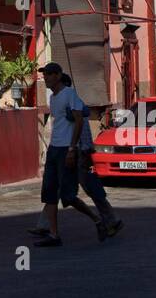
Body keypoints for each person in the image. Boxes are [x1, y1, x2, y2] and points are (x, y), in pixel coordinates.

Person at [30, 63, 102, 247]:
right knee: (49, 193)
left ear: (58, 76)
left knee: (68, 196)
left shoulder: (69, 94)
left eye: (48, 75)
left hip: (66, 150)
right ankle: (54, 234)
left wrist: (72, 148)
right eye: (44, 75)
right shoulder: (53, 98)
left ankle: (97, 219)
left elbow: (79, 119)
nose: (45, 78)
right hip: (54, 148)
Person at [74, 99, 123, 241]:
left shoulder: (75, 107)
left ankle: (110, 219)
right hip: (83, 154)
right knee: (92, 188)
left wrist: (80, 153)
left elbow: (83, 137)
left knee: (91, 189)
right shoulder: (78, 106)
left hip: (81, 155)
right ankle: (110, 219)